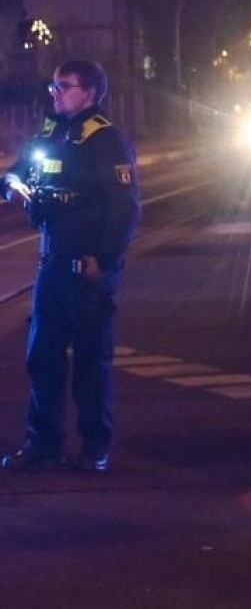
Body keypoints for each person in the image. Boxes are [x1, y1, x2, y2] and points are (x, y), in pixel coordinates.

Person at [1, 59, 141, 472]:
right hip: (54, 264)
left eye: (65, 86)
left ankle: (95, 447)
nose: (55, 93)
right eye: (54, 86)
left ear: (91, 94)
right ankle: (43, 444)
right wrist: (14, 186)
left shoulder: (106, 141)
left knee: (90, 362)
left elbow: (125, 209)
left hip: (88, 267)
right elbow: (15, 172)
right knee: (42, 357)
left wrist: (105, 259)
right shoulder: (51, 133)